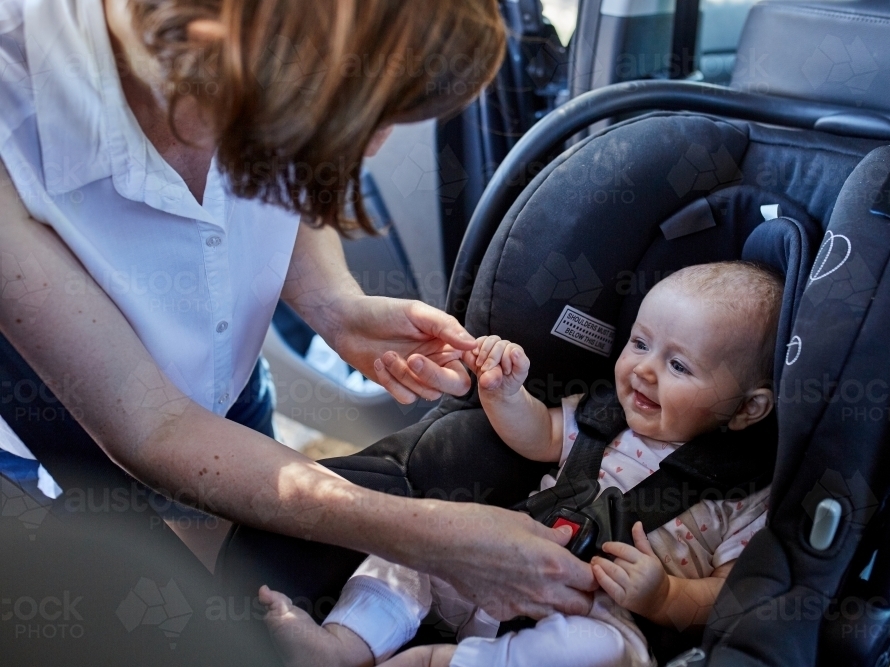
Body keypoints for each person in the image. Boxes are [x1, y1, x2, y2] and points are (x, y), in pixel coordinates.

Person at [0, 0, 596, 647]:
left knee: (231, 583)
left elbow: (279, 158)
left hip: (228, 391)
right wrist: (433, 538)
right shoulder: (14, 106)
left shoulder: (256, 82)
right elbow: (152, 424)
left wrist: (336, 303)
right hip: (60, 454)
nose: (371, 147)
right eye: (366, 116)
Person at [259, 261, 782, 667]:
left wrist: (668, 596)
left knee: (600, 652)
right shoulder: (603, 420)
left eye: (678, 364)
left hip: (598, 612)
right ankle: (343, 645)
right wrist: (505, 391)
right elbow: (537, 434)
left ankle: (447, 660)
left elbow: (728, 598)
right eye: (640, 344)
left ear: (747, 408)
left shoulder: (742, 496)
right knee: (415, 546)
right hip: (498, 561)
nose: (644, 370)